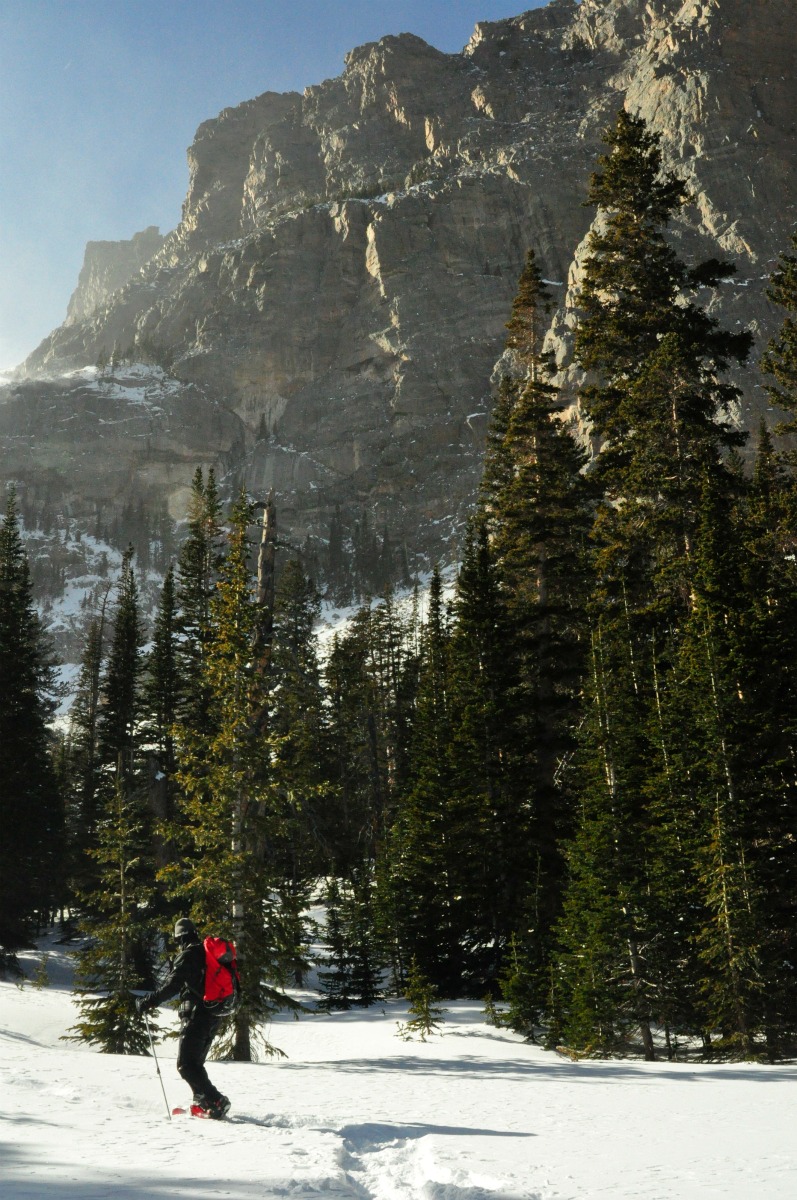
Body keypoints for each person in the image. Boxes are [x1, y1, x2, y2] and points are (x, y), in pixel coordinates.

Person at [136, 917, 231, 1119]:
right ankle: (202, 1103)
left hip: (197, 1015)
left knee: (186, 1065)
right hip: (213, 1015)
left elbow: (173, 985)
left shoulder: (189, 955)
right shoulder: (206, 953)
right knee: (195, 1064)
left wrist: (148, 1001)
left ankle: (216, 1099)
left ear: (179, 938)